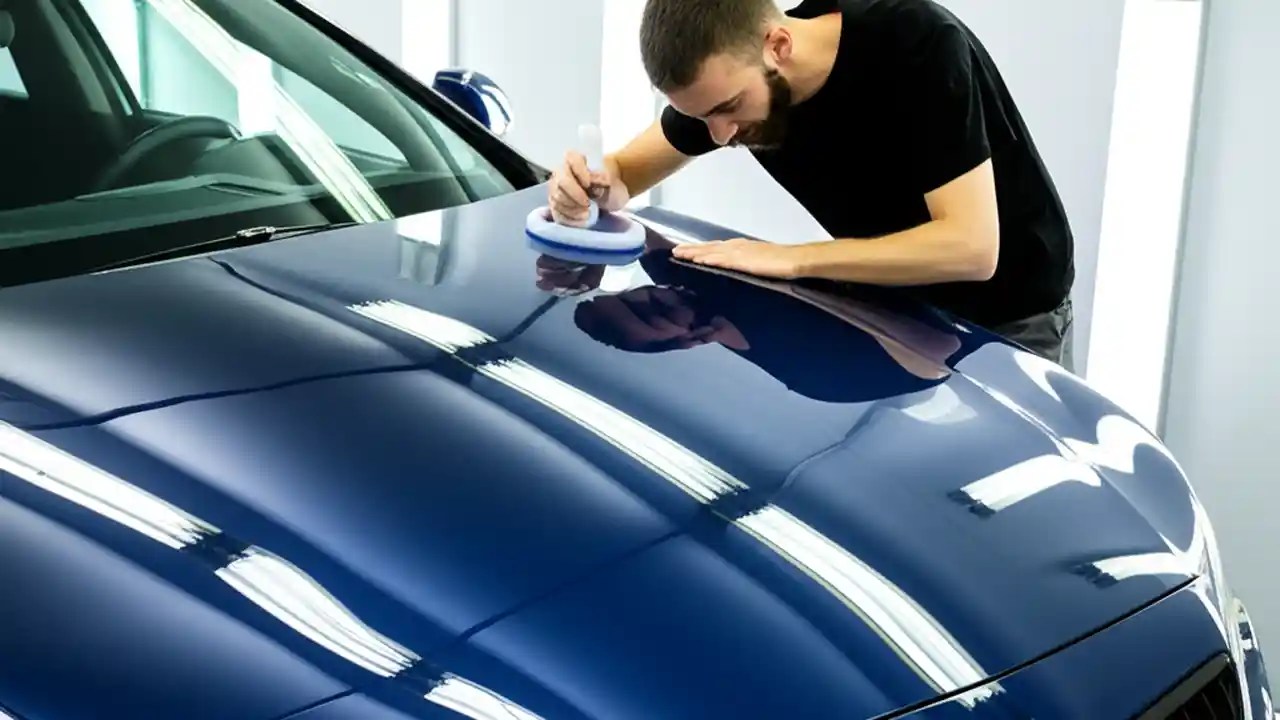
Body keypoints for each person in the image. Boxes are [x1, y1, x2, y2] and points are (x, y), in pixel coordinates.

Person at [546, 0, 1077, 369]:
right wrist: (592, 186)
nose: (720, 134)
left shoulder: (917, 46)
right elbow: (624, 174)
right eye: (702, 115)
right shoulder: (727, 91)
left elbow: (971, 249)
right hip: (892, 306)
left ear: (778, 45)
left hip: (1010, 318)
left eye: (728, 108)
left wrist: (794, 260)